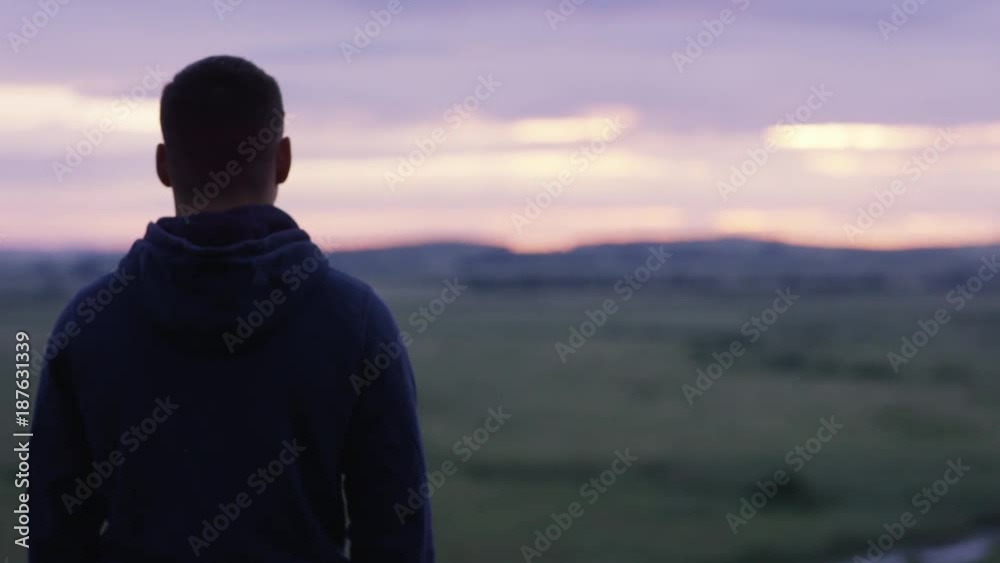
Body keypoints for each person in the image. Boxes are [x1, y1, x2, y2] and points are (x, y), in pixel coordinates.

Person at [30, 55, 434, 563]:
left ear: (162, 164)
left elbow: (49, 528)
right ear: (284, 160)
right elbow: (398, 532)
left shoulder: (86, 322)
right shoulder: (357, 321)